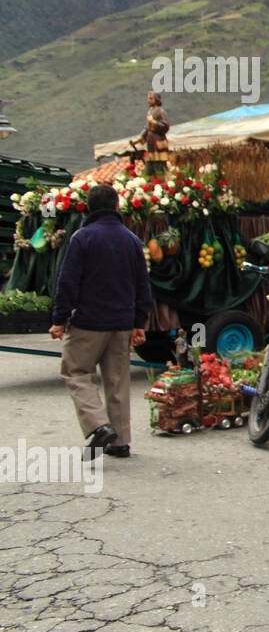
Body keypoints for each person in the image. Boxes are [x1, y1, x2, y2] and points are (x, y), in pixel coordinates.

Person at [49, 184, 152, 459]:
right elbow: (143, 285)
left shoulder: (83, 237)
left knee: (76, 372)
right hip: (121, 323)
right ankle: (120, 443)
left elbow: (67, 282)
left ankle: (99, 426)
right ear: (117, 206)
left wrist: (59, 319)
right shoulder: (131, 239)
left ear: (89, 208)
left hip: (88, 322)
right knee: (117, 381)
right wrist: (139, 322)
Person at [130, 91, 170, 177]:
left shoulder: (160, 112)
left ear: (156, 99)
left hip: (158, 143)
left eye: (151, 98)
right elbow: (147, 128)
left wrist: (154, 122)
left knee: (159, 169)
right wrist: (138, 140)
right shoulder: (150, 112)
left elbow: (166, 126)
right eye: (148, 98)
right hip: (151, 144)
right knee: (149, 170)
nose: (149, 100)